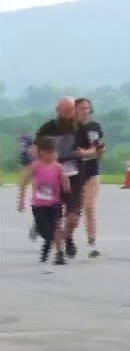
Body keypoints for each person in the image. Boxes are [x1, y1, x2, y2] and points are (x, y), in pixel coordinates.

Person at [35, 97, 94, 259]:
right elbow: (35, 149)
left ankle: (63, 239)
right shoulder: (47, 128)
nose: (69, 114)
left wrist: (85, 153)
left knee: (73, 218)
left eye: (71, 110)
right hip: (52, 178)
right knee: (54, 216)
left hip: (75, 177)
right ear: (58, 111)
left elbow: (92, 150)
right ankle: (60, 246)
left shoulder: (80, 127)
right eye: (66, 111)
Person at [17, 136, 72, 264]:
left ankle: (59, 253)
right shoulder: (36, 166)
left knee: (57, 227)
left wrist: (67, 192)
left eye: (54, 152)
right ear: (41, 152)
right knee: (46, 231)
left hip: (54, 204)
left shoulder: (58, 167)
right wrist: (21, 200)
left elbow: (65, 183)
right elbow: (23, 182)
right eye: (48, 152)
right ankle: (42, 235)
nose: (52, 155)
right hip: (39, 205)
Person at [74, 98, 106, 257]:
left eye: (87, 108)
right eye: (81, 108)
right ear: (75, 110)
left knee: (90, 207)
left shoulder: (95, 127)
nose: (85, 111)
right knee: (72, 208)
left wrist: (88, 153)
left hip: (92, 170)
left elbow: (99, 149)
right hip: (74, 171)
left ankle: (92, 243)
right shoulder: (70, 128)